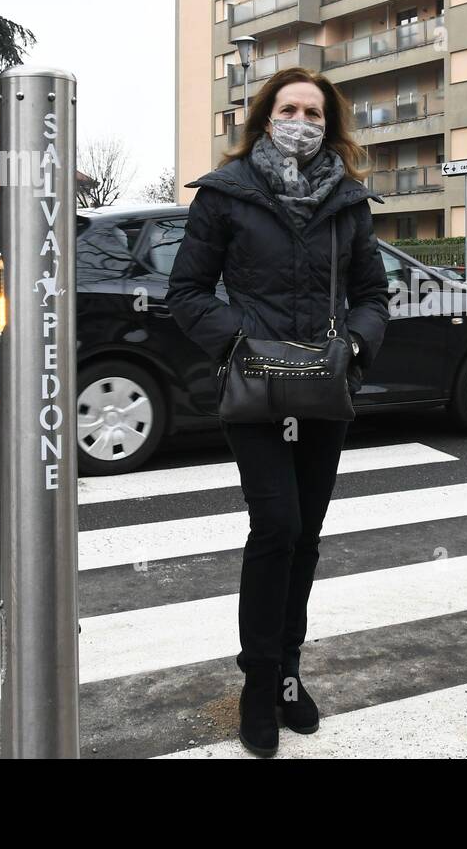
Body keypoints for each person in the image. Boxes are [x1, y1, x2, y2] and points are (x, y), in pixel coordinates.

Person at [165, 66, 390, 756]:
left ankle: (290, 675)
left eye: (315, 113)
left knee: (307, 538)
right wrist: (242, 341)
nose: (302, 120)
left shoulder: (348, 203)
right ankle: (258, 684)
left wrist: (354, 344)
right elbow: (187, 291)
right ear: (266, 118)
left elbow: (374, 293)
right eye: (290, 108)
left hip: (322, 391)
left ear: (330, 126)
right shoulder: (226, 196)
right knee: (277, 526)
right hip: (256, 390)